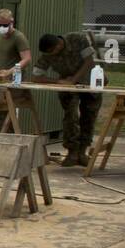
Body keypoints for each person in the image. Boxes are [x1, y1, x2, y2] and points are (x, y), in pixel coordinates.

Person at [33, 31, 100, 167]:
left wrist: (74, 80)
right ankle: (72, 152)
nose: (51, 56)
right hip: (68, 86)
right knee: (71, 115)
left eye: (53, 52)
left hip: (89, 80)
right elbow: (36, 76)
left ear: (58, 45)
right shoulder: (48, 54)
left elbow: (89, 61)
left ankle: (82, 151)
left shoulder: (77, 39)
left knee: (89, 115)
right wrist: (58, 81)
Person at [0, 8, 30, 80]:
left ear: (11, 22)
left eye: (5, 25)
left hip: (16, 80)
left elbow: (27, 59)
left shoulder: (18, 37)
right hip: (2, 78)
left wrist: (9, 71)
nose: (1, 27)